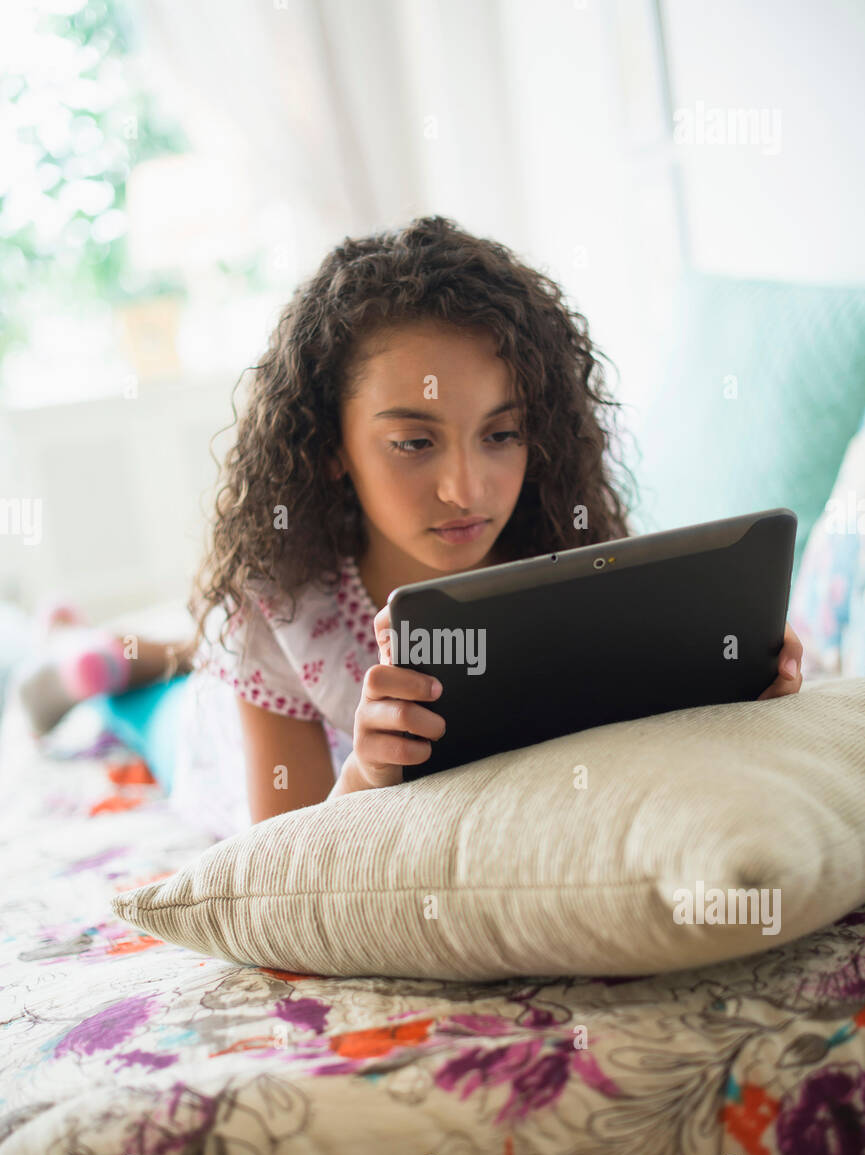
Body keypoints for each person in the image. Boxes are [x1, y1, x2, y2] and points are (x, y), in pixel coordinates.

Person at [18, 215, 804, 840]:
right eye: (413, 443)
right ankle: (83, 658)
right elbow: (287, 867)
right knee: (164, 714)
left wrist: (737, 676)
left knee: (195, 656)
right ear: (329, 448)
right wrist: (364, 771)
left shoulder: (568, 550)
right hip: (224, 746)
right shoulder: (276, 602)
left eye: (501, 434)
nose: (466, 489)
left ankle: (142, 649)